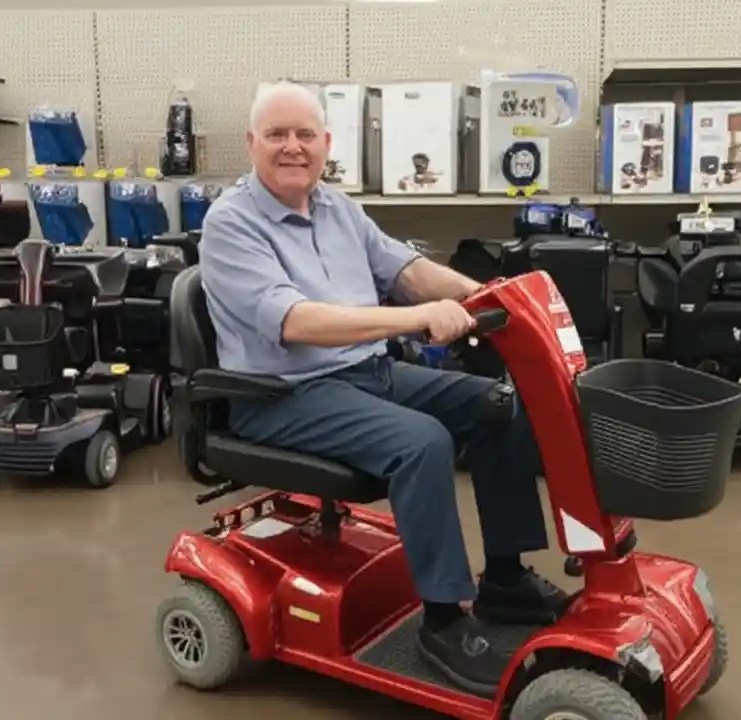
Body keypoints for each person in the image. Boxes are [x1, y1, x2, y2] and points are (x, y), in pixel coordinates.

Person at [198, 82, 566, 693]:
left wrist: (493, 298)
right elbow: (297, 322)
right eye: (277, 135)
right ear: (251, 144)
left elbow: (407, 270)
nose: (293, 147)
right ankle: (444, 622)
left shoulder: (336, 207)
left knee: (497, 404)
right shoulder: (230, 225)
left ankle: (504, 576)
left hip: (365, 374)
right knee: (421, 441)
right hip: (280, 396)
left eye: (305, 135)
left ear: (326, 143)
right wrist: (415, 319)